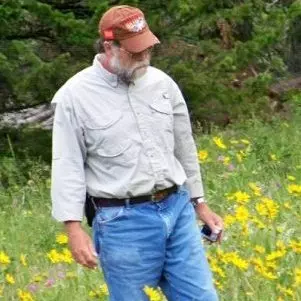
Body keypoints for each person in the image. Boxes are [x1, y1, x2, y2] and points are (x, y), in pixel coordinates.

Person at [51, 5, 223, 301]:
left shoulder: (161, 83)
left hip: (177, 209)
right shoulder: (74, 96)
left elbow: (184, 146)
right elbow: (67, 165)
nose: (144, 57)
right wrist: (73, 228)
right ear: (109, 46)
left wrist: (200, 203)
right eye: (134, 52)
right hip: (123, 223)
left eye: (147, 49)